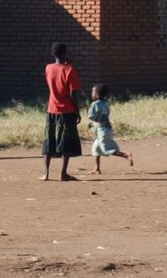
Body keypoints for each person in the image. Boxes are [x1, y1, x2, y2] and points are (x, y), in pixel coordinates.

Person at [41, 42, 82, 181]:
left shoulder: (48, 68)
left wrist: (65, 63)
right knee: (66, 142)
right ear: (65, 53)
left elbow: (56, 75)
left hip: (51, 109)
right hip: (67, 110)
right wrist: (77, 110)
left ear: (53, 54)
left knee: (49, 140)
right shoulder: (70, 70)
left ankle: (46, 173)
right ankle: (63, 174)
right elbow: (73, 94)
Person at [86, 84, 134, 173]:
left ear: (97, 94)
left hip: (102, 131)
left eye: (93, 92)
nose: (91, 94)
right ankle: (97, 168)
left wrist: (87, 111)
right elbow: (103, 116)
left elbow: (91, 116)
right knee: (96, 149)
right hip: (106, 129)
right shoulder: (105, 104)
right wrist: (93, 124)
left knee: (107, 149)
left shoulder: (94, 104)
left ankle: (126, 155)